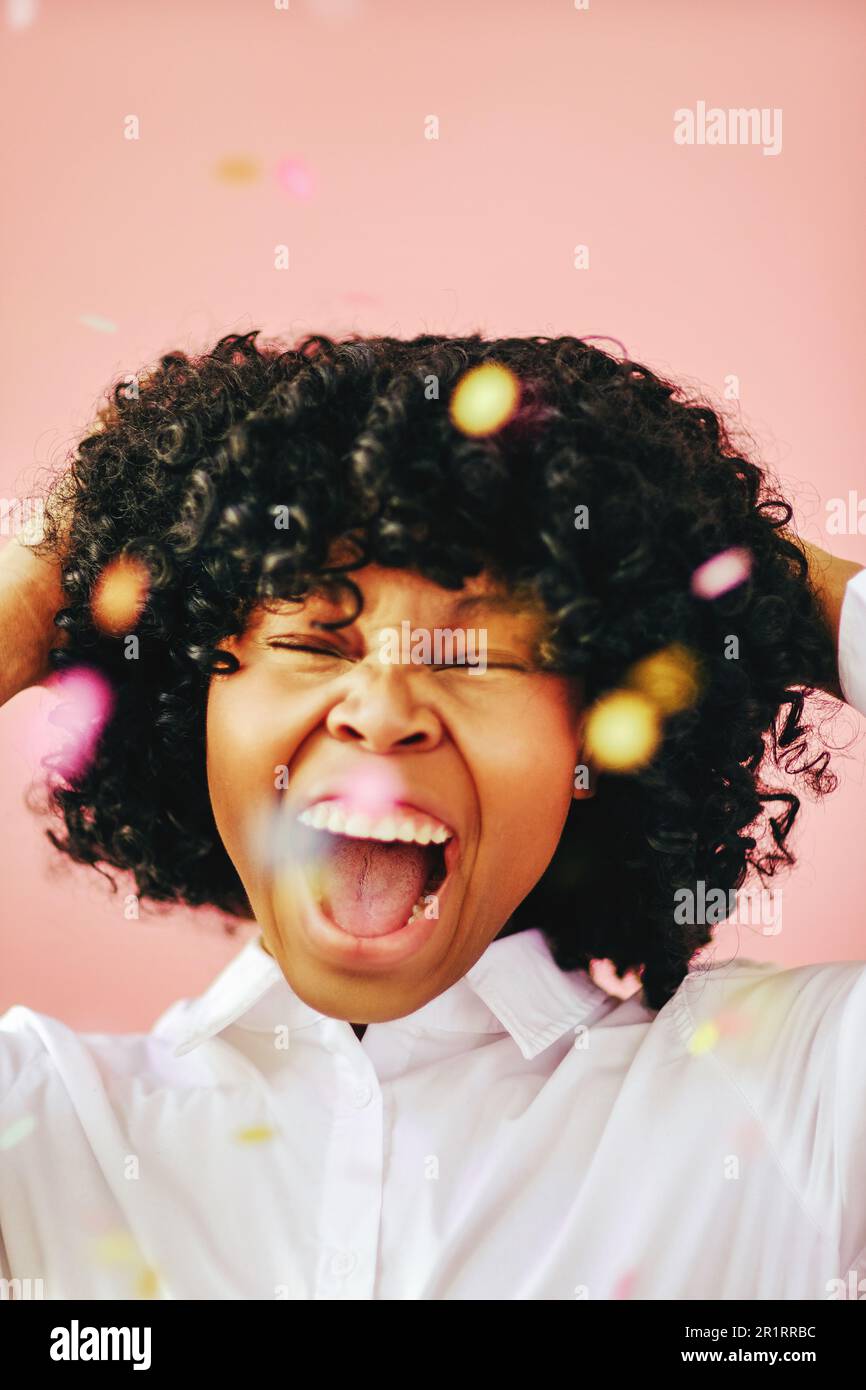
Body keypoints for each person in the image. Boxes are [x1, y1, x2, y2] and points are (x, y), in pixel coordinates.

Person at [0, 329, 864, 1300]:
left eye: (478, 657)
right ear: (195, 705)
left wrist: (761, 582)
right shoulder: (41, 1135)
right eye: (317, 642)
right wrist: (43, 596)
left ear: (592, 734)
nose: (380, 711)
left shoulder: (805, 1100)